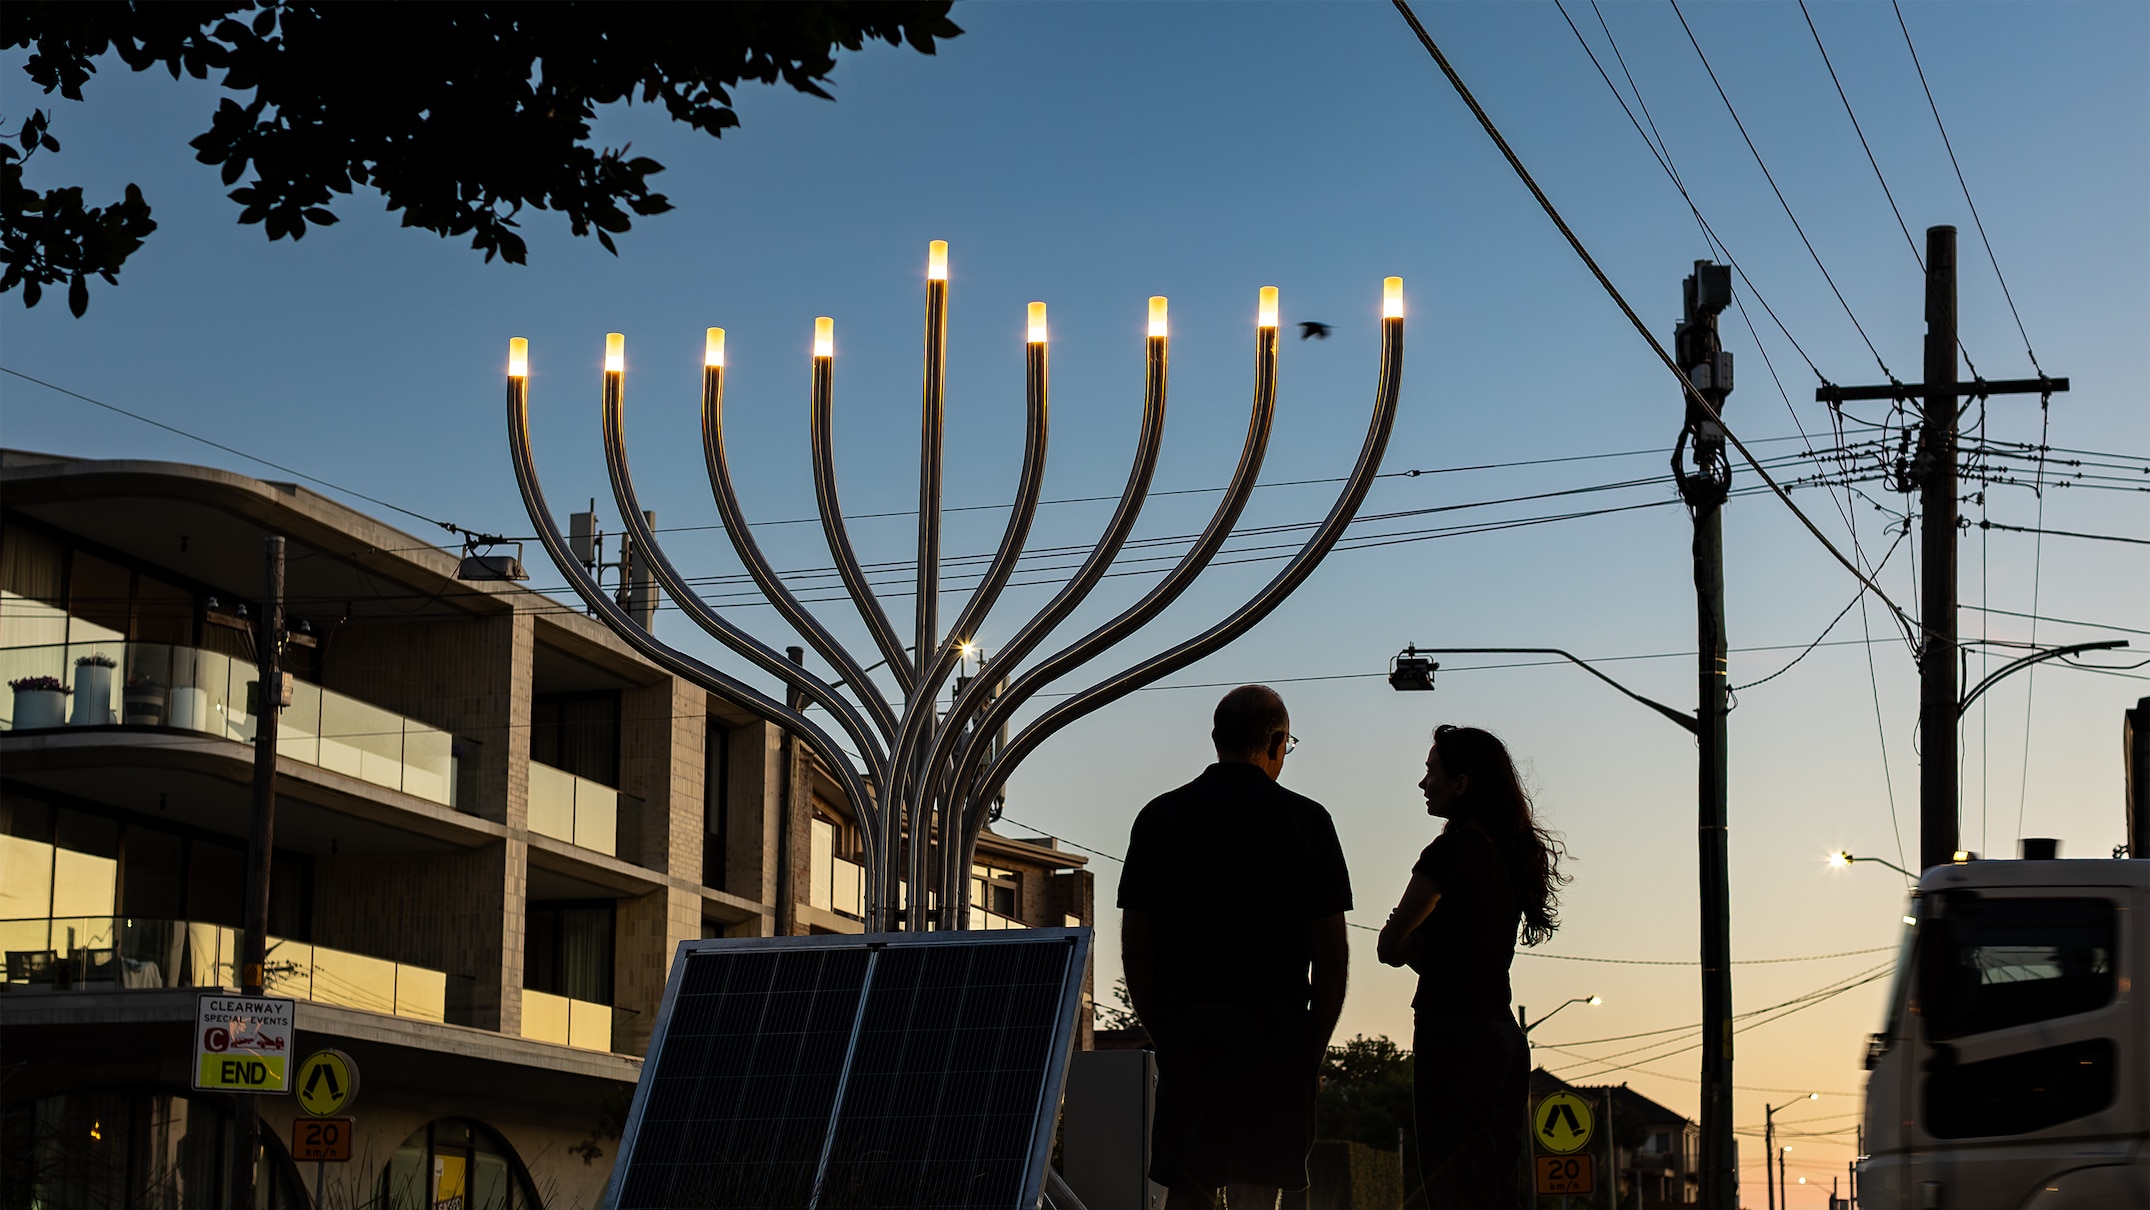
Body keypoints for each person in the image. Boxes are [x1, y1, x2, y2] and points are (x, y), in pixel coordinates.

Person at [1118, 685, 1352, 1210]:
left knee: (1189, 1184)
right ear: (1276, 740)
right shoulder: (1307, 821)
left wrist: (1165, 1031)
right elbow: (1331, 952)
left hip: (1190, 1031)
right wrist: (1311, 1045)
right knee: (1258, 1184)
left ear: (1216, 739)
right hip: (1277, 1034)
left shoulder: (1159, 817)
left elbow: (1137, 943)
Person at [1377, 724, 1567, 1210]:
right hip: (1503, 1037)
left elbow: (1390, 943)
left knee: (1453, 1186)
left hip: (1452, 1034)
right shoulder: (1511, 856)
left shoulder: (1450, 853)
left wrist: (1413, 942)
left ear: (1462, 784)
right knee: (1497, 1185)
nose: (1423, 783)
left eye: (1431, 772)